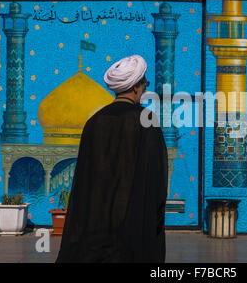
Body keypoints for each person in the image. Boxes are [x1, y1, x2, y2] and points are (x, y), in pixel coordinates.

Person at [56, 55, 168, 263]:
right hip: (132, 233)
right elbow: (156, 180)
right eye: (145, 83)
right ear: (136, 87)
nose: (145, 88)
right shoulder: (146, 120)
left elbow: (84, 181)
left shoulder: (94, 122)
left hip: (95, 234)